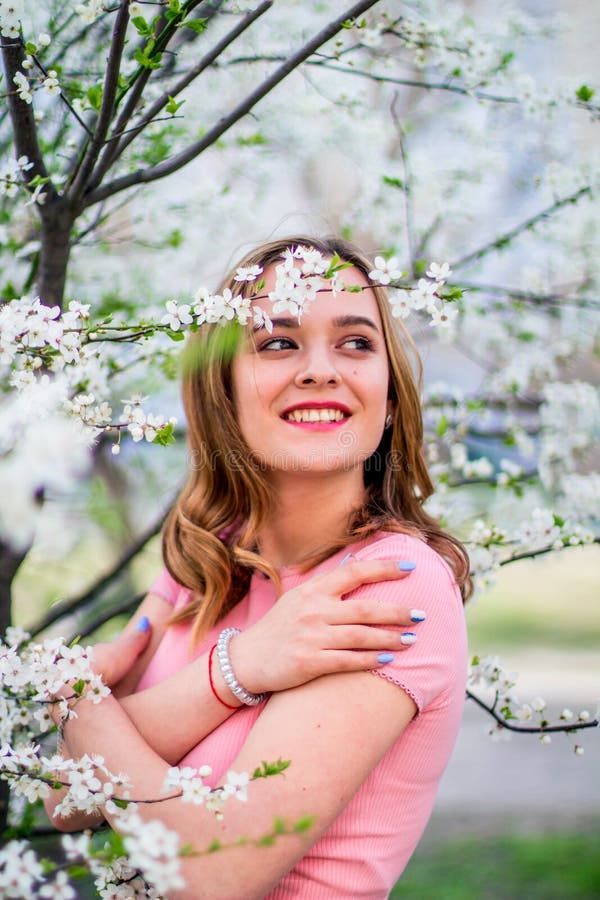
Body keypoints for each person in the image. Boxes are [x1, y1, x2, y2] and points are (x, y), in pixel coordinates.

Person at [44, 236, 470, 899]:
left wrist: (77, 703)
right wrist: (238, 671)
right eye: (279, 342)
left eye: (356, 343)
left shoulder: (388, 583)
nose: (322, 370)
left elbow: (215, 874)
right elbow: (67, 802)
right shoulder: (204, 555)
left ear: (387, 401)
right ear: (224, 392)